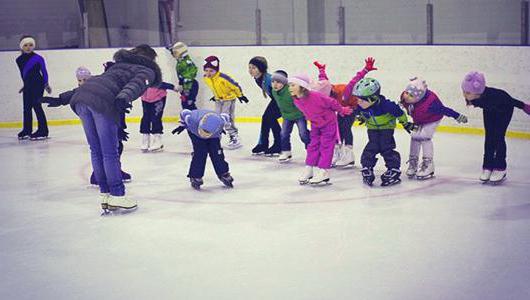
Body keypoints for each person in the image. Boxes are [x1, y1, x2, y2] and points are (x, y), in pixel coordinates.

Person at [69, 44, 161, 212]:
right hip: (102, 104)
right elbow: (136, 84)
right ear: (150, 59)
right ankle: (117, 196)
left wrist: (61, 98)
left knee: (96, 150)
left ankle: (105, 195)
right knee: (109, 152)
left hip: (81, 99)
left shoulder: (117, 65)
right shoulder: (146, 70)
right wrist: (124, 98)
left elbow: (96, 83)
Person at [461, 71, 530, 184]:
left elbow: (510, 100)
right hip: (490, 109)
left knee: (498, 136)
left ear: (477, 92)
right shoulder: (475, 96)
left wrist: (523, 106)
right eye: (463, 91)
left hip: (504, 109)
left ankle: (500, 167)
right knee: (489, 137)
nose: (464, 94)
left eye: (467, 92)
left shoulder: (495, 96)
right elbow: (474, 99)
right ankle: (487, 166)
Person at [288, 74, 353, 185]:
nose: (290, 88)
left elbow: (332, 102)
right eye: (289, 85)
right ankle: (309, 169)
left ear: (302, 86)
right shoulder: (296, 100)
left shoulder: (315, 96)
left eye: (293, 85)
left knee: (326, 146)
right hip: (315, 124)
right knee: (312, 146)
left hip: (328, 123)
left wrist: (342, 110)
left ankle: (324, 172)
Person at [352, 78, 416, 187]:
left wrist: (405, 123)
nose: (358, 102)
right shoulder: (361, 106)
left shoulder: (386, 105)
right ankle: (367, 167)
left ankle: (393, 168)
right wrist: (362, 117)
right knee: (371, 147)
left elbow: (399, 113)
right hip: (372, 129)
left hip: (386, 129)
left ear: (373, 98)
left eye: (362, 100)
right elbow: (359, 112)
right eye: (358, 99)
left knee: (386, 148)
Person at [400, 77, 468, 180]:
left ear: (419, 97)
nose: (407, 97)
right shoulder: (405, 97)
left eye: (411, 96)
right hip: (419, 119)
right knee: (414, 137)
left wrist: (457, 116)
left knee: (425, 137)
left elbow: (445, 110)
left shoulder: (431, 105)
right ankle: (413, 162)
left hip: (432, 119)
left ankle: (428, 164)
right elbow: (403, 104)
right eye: (407, 93)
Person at [172, 109, 234, 190]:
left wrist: (220, 128)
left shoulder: (221, 121)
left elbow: (226, 116)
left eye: (207, 133)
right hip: (195, 132)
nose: (205, 135)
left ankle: (223, 172)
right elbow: (184, 112)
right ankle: (195, 175)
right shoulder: (192, 119)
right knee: (200, 152)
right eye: (204, 131)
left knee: (217, 152)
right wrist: (182, 125)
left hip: (214, 134)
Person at [203, 55, 249, 149]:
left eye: (211, 71)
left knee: (226, 118)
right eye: (206, 70)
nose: (208, 73)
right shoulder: (206, 78)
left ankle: (234, 136)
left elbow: (235, 86)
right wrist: (215, 95)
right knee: (216, 118)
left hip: (229, 99)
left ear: (216, 70)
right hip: (218, 100)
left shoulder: (223, 78)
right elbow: (215, 87)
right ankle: (216, 137)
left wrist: (240, 96)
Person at [16, 35, 51, 140]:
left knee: (37, 106)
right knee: (26, 108)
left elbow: (44, 71)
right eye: (26, 45)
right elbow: (24, 74)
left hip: (38, 85)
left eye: (31, 45)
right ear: (22, 47)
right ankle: (27, 130)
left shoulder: (38, 58)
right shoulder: (19, 60)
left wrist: (46, 84)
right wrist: (25, 85)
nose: (28, 47)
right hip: (28, 86)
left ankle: (43, 130)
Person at [271, 70, 310, 163]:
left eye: (278, 82)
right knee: (283, 134)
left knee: (303, 134)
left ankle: (311, 150)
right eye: (273, 82)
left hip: (299, 115)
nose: (275, 84)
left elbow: (302, 99)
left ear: (284, 83)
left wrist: (307, 113)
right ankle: (286, 151)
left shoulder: (290, 91)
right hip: (287, 116)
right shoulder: (274, 91)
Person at [248, 56, 282, 156]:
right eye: (249, 67)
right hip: (276, 100)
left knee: (270, 118)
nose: (250, 70)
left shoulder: (269, 79)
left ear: (261, 68)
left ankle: (279, 145)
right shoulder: (258, 78)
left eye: (253, 68)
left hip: (282, 100)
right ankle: (263, 144)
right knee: (267, 118)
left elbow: (281, 92)